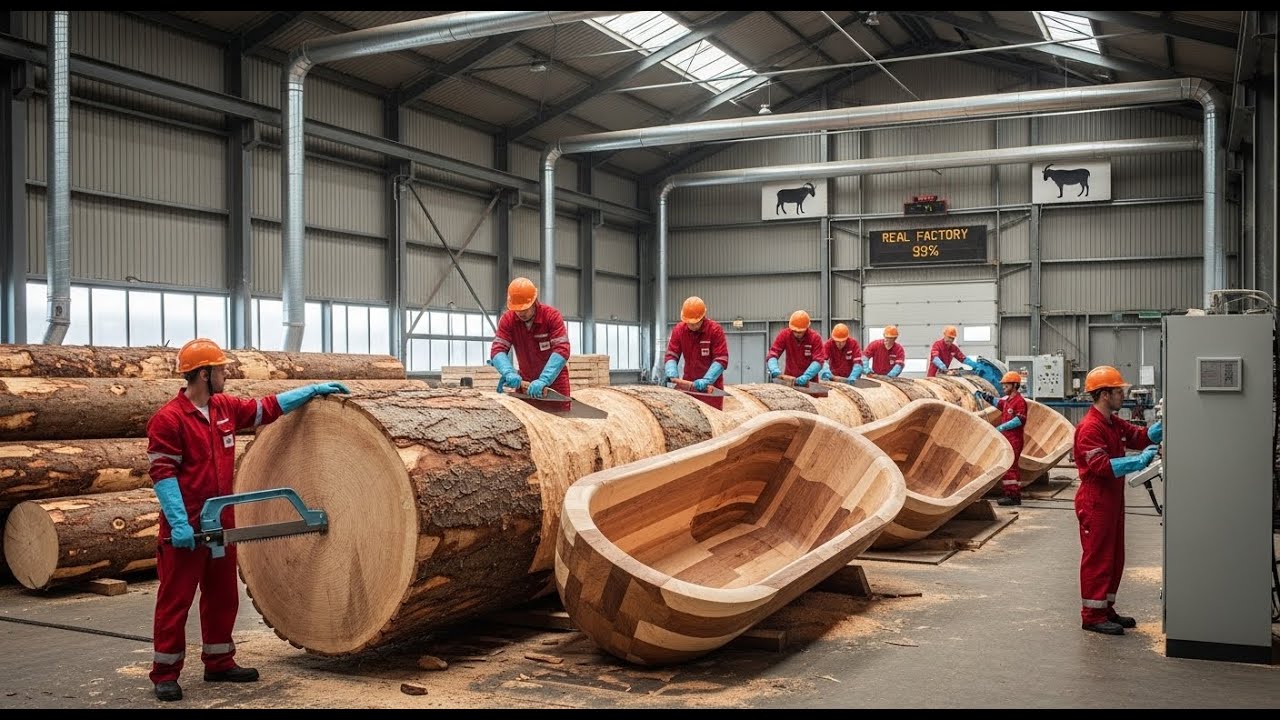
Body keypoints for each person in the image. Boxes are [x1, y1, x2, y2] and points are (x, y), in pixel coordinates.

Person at [145, 338, 350, 702]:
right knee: (175, 601)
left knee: (223, 597)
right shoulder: (169, 419)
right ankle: (165, 672)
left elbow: (266, 408)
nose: (227, 375)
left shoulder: (224, 408)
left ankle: (219, 661)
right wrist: (179, 523)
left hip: (222, 526)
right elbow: (163, 474)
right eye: (222, 370)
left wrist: (310, 391)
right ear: (204, 374)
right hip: (187, 530)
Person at [1072, 365, 1163, 636]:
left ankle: (1105, 607)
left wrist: (1164, 426)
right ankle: (1092, 615)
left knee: (1114, 557)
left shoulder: (1111, 422)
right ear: (1103, 395)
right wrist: (1139, 460)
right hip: (1096, 499)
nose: (1124, 395)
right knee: (1098, 556)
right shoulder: (1090, 427)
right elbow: (1101, 466)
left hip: (1112, 498)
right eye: (1118, 391)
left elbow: (1140, 436)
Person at [489, 277, 572, 411]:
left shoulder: (551, 316)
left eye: (525, 309)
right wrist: (508, 372)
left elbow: (562, 350)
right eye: (517, 309)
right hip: (526, 384)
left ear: (534, 301)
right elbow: (498, 350)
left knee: (561, 424)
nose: (521, 313)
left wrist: (544, 380)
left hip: (554, 385)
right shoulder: (508, 320)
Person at [663, 296, 729, 409]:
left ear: (703, 317)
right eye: (689, 323)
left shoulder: (714, 330)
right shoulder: (679, 330)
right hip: (688, 386)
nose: (692, 326)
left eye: (695, 323)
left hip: (710, 389)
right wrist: (671, 373)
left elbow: (721, 359)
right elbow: (671, 355)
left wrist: (707, 380)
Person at [976, 371, 1029, 506]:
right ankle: (1014, 493)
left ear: (1015, 385)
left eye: (1006, 385)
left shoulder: (1019, 401)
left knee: (1010, 467)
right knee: (1013, 467)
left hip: (1014, 438)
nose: (1003, 388)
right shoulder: (1008, 401)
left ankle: (1012, 496)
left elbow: (1020, 419)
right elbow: (999, 404)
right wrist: (986, 397)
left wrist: (1002, 427)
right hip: (1008, 438)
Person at [766, 310, 825, 386]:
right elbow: (773, 353)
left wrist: (806, 376)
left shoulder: (815, 338)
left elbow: (818, 361)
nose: (797, 334)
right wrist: (774, 368)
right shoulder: (785, 335)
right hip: (789, 381)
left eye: (800, 332)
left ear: (807, 328)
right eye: (794, 331)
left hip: (810, 383)